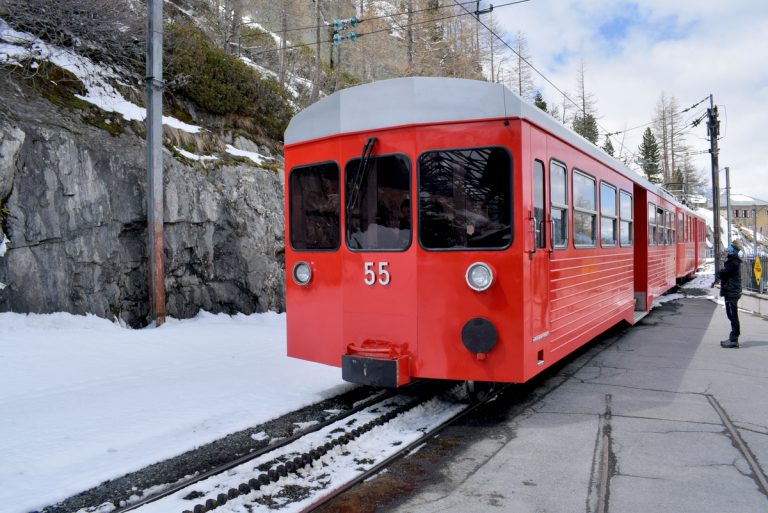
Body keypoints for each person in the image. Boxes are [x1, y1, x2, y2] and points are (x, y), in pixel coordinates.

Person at [718, 239, 743, 348]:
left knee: (733, 315)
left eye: (728, 249)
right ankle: (733, 337)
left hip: (732, 292)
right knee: (730, 315)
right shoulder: (732, 261)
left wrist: (720, 273)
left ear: (732, 251)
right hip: (730, 291)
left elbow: (723, 273)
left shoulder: (733, 262)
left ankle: (734, 339)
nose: (726, 251)